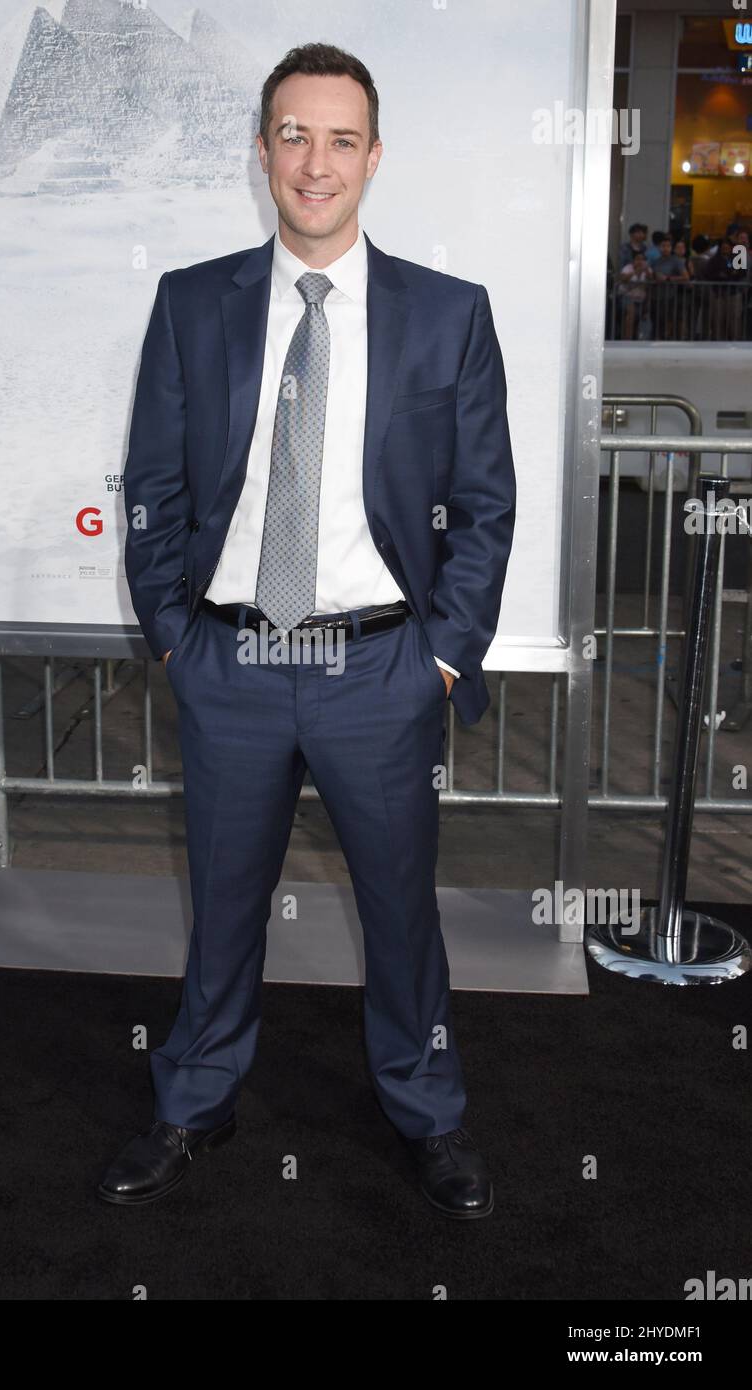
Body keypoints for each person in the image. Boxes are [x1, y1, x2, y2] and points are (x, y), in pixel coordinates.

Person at [103, 42, 516, 1218]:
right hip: (229, 660)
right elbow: (150, 485)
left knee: (401, 913)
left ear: (373, 157)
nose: (315, 162)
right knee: (222, 901)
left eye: (340, 139)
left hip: (378, 666)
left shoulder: (448, 316)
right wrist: (177, 637)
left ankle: (427, 1112)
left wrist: (439, 657)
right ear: (261, 149)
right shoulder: (192, 301)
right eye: (293, 135)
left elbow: (484, 504)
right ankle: (192, 1101)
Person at [616, 252, 653, 340]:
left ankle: (633, 338)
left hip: (640, 299)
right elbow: (623, 278)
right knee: (631, 313)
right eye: (637, 259)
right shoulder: (627, 268)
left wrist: (646, 270)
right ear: (633, 260)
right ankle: (627, 339)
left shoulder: (648, 269)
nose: (640, 261)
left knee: (636, 319)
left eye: (642, 259)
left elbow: (651, 279)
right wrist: (636, 271)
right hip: (626, 296)